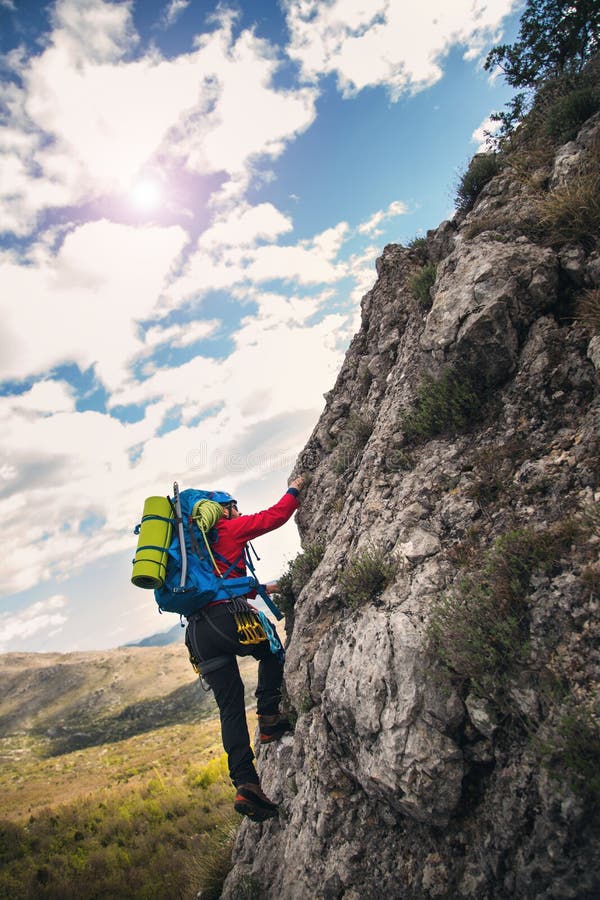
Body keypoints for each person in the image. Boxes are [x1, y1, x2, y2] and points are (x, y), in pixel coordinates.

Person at [185, 475, 304, 822]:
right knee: (270, 649)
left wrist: (262, 586)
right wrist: (295, 488)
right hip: (228, 618)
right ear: (223, 509)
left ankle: (246, 784)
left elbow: (218, 584)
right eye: (235, 506)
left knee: (230, 709)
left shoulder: (194, 550)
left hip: (197, 634)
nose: (240, 512)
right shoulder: (229, 528)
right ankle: (269, 717)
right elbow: (275, 516)